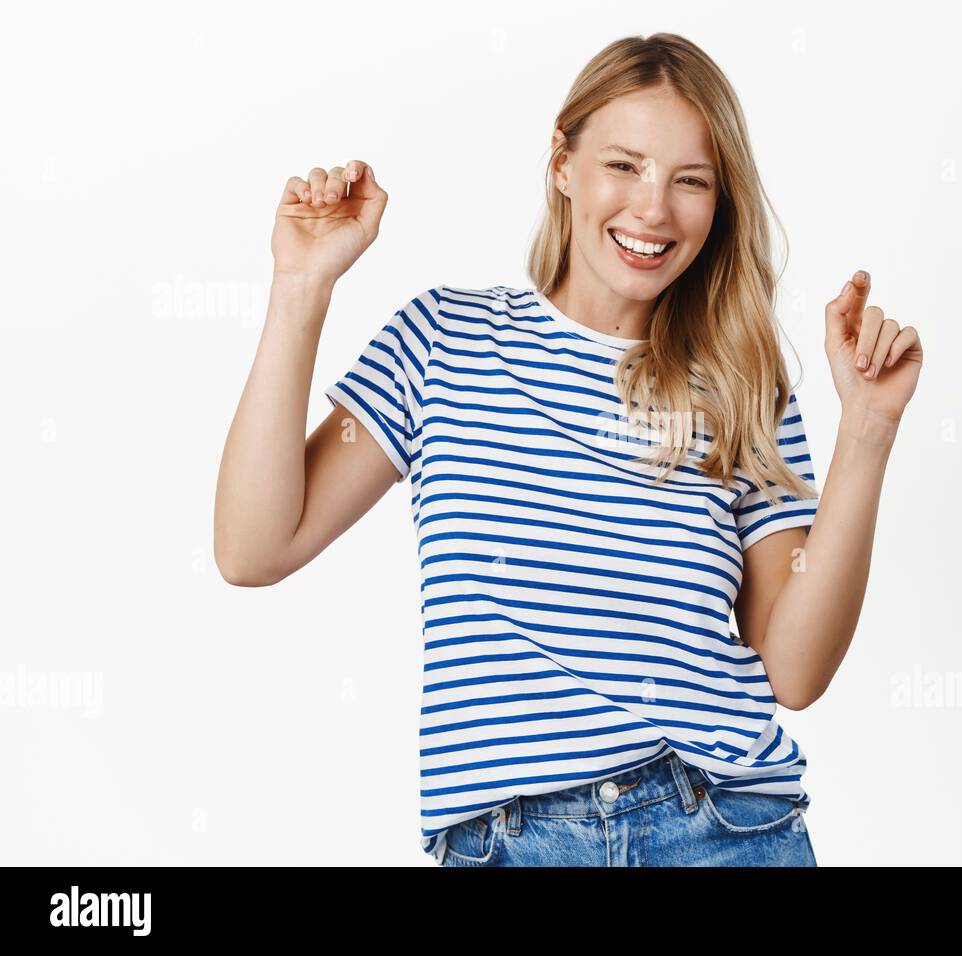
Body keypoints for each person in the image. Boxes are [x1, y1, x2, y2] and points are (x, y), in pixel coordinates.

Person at [214, 32, 923, 867]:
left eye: (689, 180)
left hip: (721, 829)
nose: (653, 208)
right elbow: (251, 548)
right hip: (505, 843)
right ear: (562, 162)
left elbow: (795, 673)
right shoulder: (445, 340)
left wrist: (868, 432)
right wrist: (302, 287)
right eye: (624, 165)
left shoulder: (740, 387)